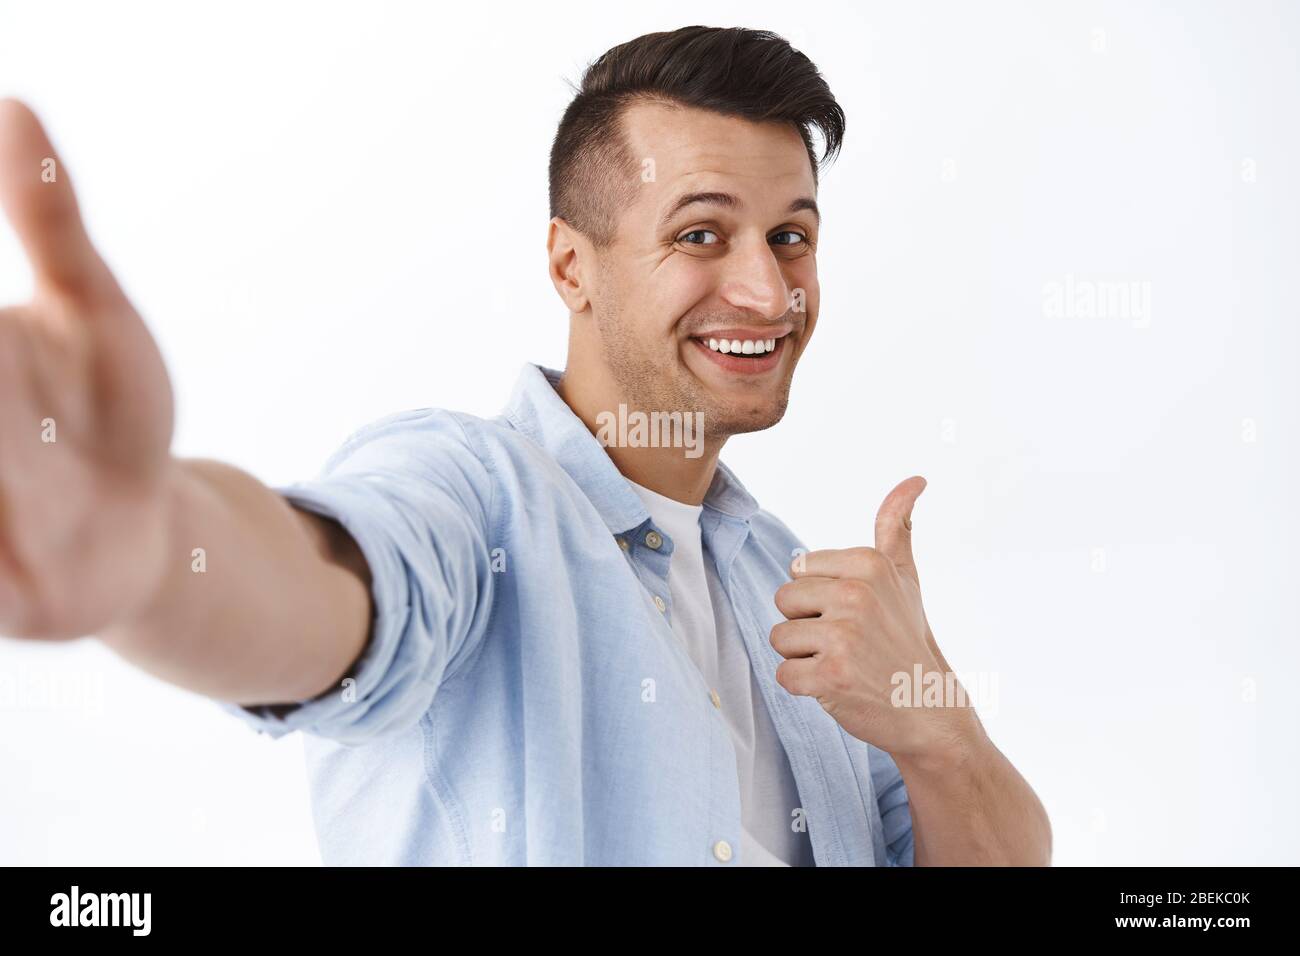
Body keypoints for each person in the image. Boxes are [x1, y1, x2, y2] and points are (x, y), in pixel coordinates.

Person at [0, 25, 1051, 866]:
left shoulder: (797, 588)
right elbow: (335, 595)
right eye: (699, 233)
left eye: (791, 235)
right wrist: (156, 553)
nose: (768, 292)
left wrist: (936, 722)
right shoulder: (469, 496)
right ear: (570, 266)